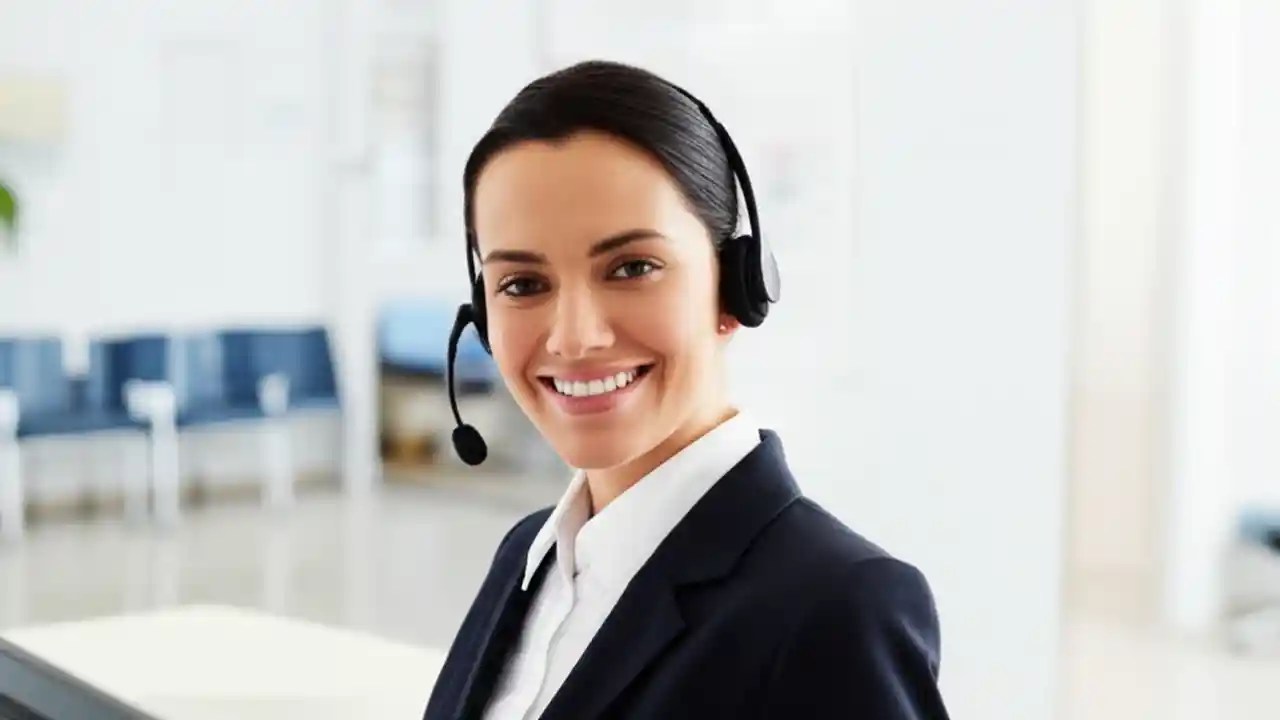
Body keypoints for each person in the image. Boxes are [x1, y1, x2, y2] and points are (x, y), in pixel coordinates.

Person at [423, 60, 951, 720]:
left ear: (733, 287)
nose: (574, 338)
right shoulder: (527, 559)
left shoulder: (837, 606)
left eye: (632, 268)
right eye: (523, 284)